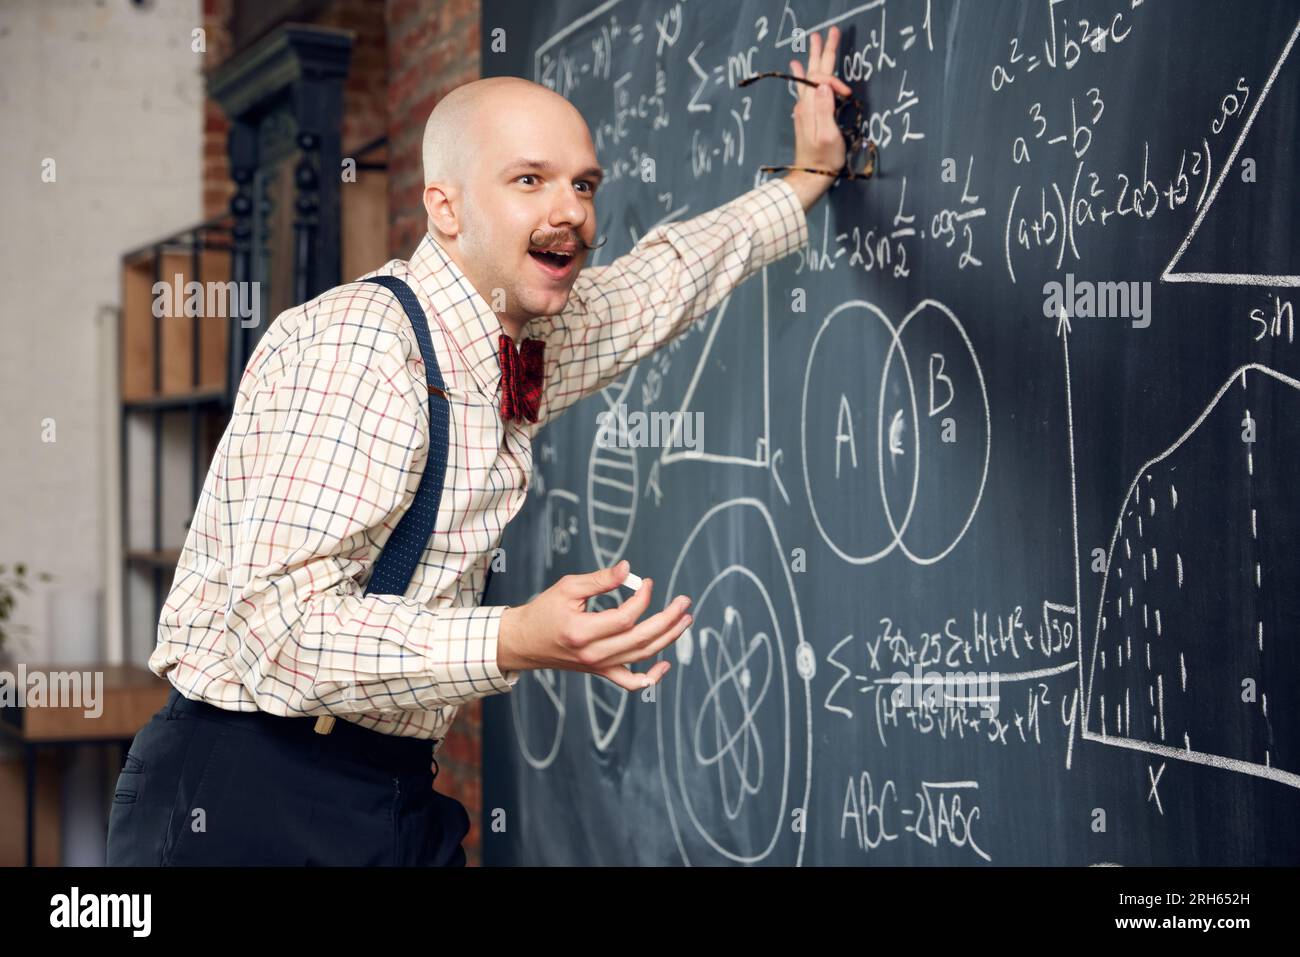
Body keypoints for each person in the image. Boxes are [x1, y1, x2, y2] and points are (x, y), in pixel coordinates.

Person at [106, 27, 852, 866]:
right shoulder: (363, 346)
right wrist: (514, 638)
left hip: (386, 787)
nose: (570, 208)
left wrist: (807, 178)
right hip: (247, 793)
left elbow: (664, 280)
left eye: (584, 184)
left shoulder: (518, 337)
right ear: (446, 205)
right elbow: (275, 633)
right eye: (529, 180)